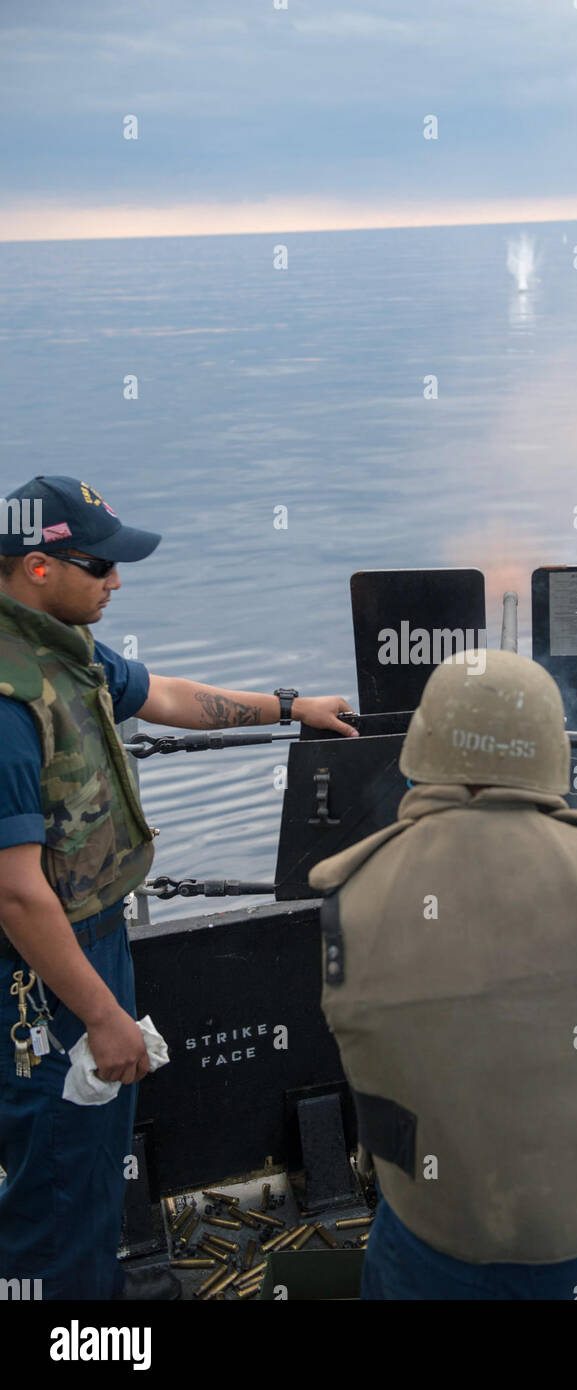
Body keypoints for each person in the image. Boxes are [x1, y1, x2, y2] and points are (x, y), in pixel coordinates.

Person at [0, 474, 357, 1301]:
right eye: (102, 567)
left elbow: (162, 696)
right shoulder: (9, 701)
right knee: (57, 1176)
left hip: (93, 932)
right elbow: (16, 896)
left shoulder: (58, 643)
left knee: (89, 1158)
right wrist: (100, 1015)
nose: (118, 583)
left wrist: (288, 706)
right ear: (39, 566)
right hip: (42, 970)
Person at [309, 649, 577, 1300]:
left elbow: (368, 1050)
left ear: (421, 752)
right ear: (551, 755)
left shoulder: (353, 893)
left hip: (429, 1231)